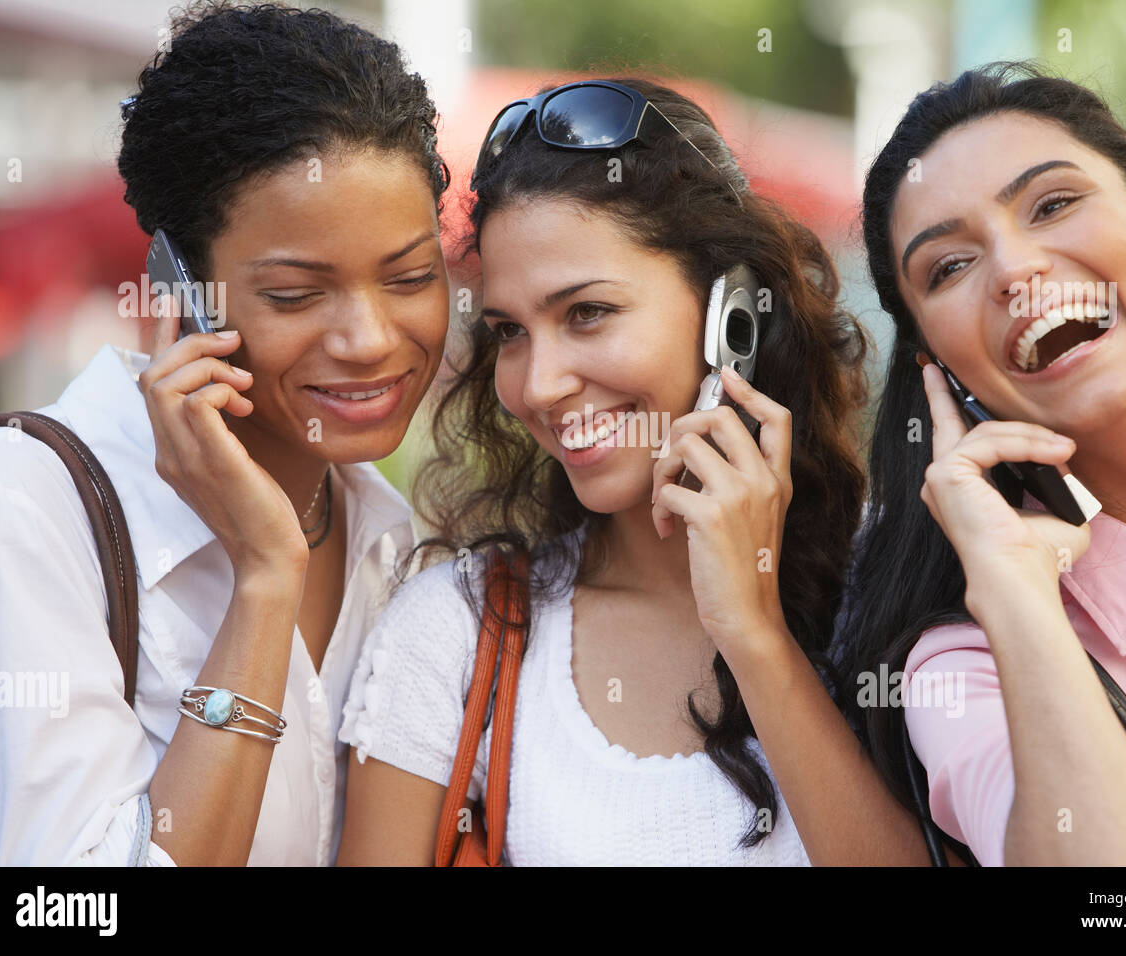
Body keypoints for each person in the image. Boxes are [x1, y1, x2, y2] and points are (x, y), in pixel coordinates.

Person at [336, 77, 932, 865]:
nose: (539, 384)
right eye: (510, 330)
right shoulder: (456, 629)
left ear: (734, 320)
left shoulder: (902, 589)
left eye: (587, 313)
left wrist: (753, 632)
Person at [0, 1, 450, 865]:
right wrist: (265, 580)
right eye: (297, 294)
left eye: (411, 275)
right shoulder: (20, 502)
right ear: (178, 285)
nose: (371, 339)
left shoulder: (387, 535)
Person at [840, 62, 1126, 866]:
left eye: (1054, 204)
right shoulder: (966, 670)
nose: (1013, 270)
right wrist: (1014, 589)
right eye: (950, 267)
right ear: (944, 373)